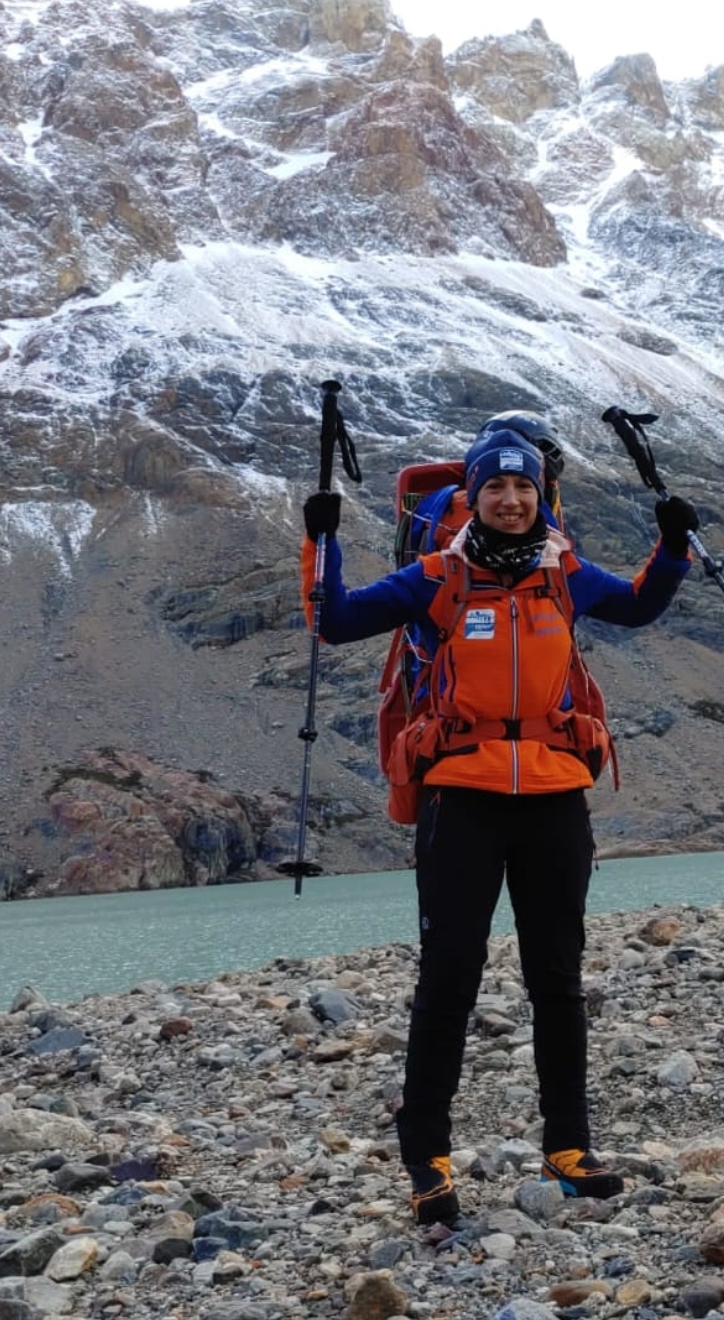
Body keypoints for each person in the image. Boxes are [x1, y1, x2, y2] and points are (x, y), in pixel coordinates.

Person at [299, 410, 697, 1226]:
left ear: (541, 494)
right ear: (473, 496)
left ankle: (570, 1150)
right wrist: (322, 542)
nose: (510, 500)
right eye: (495, 487)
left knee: (557, 977)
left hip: (554, 795)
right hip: (462, 796)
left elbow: (639, 607)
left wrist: (674, 544)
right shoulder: (437, 577)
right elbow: (334, 620)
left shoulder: (566, 572)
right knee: (449, 976)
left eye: (523, 486)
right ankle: (428, 1160)